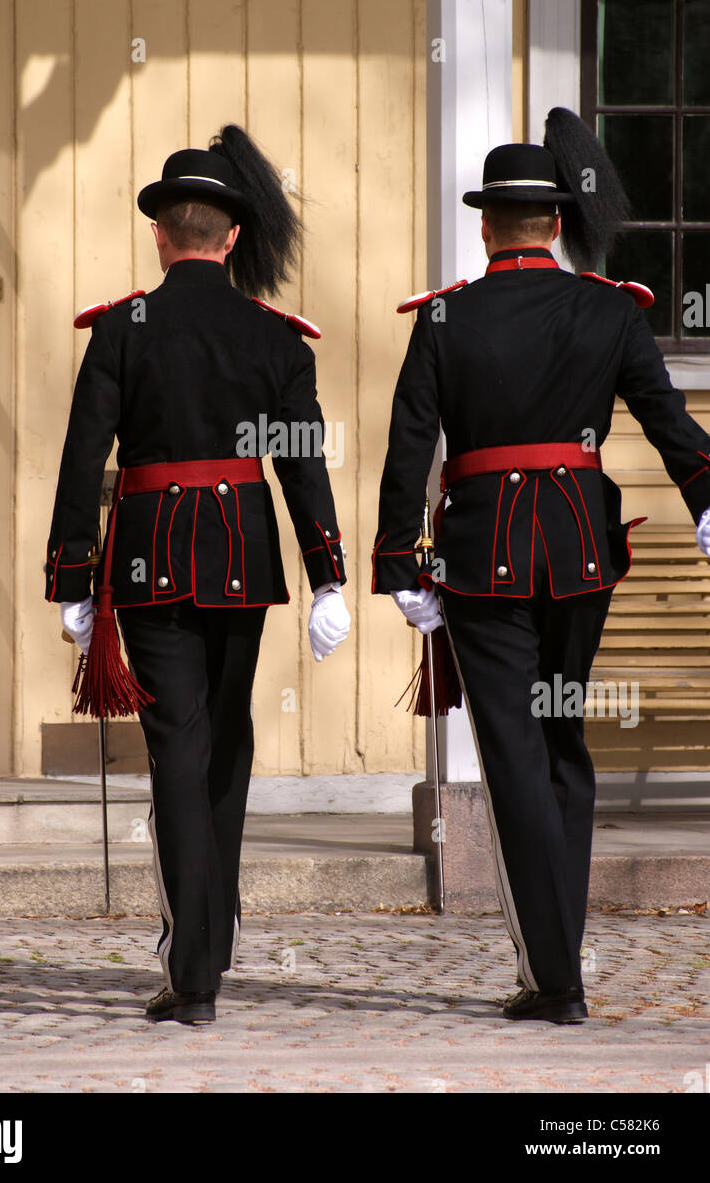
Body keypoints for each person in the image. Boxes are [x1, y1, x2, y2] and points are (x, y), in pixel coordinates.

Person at [373, 108, 710, 1024]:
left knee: (514, 751)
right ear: (557, 222)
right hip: (577, 550)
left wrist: (397, 559)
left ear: (487, 224)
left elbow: (411, 442)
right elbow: (664, 416)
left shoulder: (443, 315)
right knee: (561, 740)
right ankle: (559, 965)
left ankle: (553, 975)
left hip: (483, 556)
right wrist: (706, 499)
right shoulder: (608, 308)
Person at [47, 125, 350, 1023]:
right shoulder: (274, 335)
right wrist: (327, 572)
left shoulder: (119, 330)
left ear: (160, 235)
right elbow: (301, 459)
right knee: (225, 740)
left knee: (177, 746)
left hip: (146, 559)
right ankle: (206, 952)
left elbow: (79, 459)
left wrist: (72, 576)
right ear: (229, 239)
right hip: (242, 558)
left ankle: (194, 977)